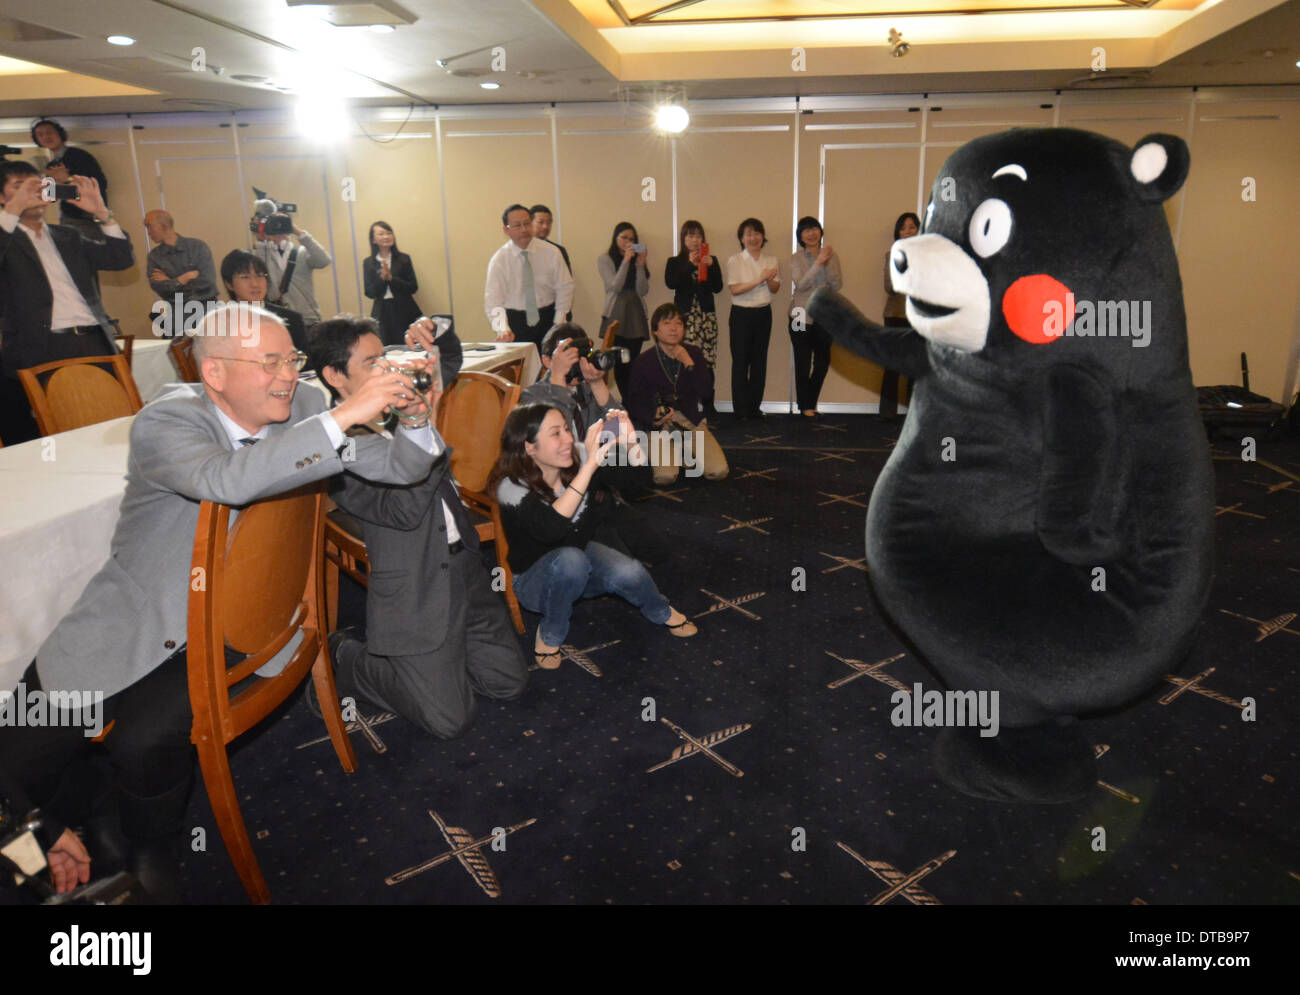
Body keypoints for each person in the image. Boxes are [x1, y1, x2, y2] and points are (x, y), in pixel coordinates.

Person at [0, 303, 435, 900]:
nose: (289, 376)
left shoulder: (306, 409)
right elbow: (225, 480)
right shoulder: (166, 423)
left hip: (239, 625)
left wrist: (414, 420)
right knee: (18, 746)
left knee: (142, 740)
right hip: (137, 616)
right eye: (270, 363)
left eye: (292, 359)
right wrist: (344, 417)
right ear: (215, 375)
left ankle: (150, 846)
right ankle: (53, 835)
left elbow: (406, 466)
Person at [308, 315, 528, 739]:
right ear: (335, 375)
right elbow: (404, 511)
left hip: (463, 565)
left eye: (386, 358)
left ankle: (442, 659)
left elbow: (444, 363)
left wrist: (437, 332)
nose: (388, 369)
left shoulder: (395, 402)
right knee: (449, 720)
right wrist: (418, 427)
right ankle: (345, 656)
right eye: (372, 363)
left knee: (508, 683)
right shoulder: (335, 444)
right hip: (415, 585)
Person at [490, 403, 697, 670]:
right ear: (530, 447)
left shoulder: (577, 455)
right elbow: (551, 529)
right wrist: (589, 466)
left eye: (566, 429)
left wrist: (631, 443)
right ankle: (551, 632)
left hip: (579, 562)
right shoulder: (511, 486)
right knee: (570, 560)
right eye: (555, 434)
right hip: (534, 583)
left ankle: (661, 611)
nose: (567, 439)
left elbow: (639, 484)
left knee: (629, 571)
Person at [0, 161, 133, 446]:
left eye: (38, 184)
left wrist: (102, 213)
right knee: (57, 435)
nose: (32, 191)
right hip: (41, 347)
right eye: (20, 186)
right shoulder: (6, 241)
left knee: (111, 425)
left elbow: (120, 259)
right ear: (1, 196)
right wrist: (12, 211)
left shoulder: (68, 236)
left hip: (94, 340)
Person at [626, 303, 729, 485]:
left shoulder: (694, 354)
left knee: (718, 471)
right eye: (667, 323)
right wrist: (652, 416)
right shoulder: (644, 361)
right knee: (665, 477)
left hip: (689, 420)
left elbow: (705, 392)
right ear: (655, 331)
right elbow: (632, 402)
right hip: (660, 425)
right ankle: (666, 450)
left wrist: (689, 364)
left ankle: (684, 449)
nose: (674, 328)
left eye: (679, 324)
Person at [484, 203, 573, 346]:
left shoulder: (551, 252)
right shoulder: (500, 259)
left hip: (548, 318)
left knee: (552, 365)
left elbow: (565, 287)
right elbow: (493, 301)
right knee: (522, 367)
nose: (524, 229)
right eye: (517, 225)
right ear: (506, 230)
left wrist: (559, 323)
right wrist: (502, 329)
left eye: (527, 223)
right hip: (515, 323)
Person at [663, 220, 723, 419]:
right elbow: (671, 283)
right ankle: (685, 402)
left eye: (698, 236)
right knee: (683, 360)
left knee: (706, 361)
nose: (695, 240)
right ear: (683, 239)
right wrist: (690, 264)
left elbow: (718, 288)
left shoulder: (711, 259)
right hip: (685, 319)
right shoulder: (675, 262)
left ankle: (708, 403)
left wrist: (711, 267)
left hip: (706, 318)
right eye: (690, 236)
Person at [725, 217, 780, 419]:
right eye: (749, 233)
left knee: (759, 362)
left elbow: (775, 288)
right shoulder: (735, 260)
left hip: (763, 314)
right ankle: (740, 410)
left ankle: (754, 407)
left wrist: (771, 279)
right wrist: (760, 279)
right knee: (740, 362)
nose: (753, 237)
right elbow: (735, 289)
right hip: (741, 314)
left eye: (757, 233)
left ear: (763, 236)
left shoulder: (772, 260)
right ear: (741, 238)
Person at [789, 215, 844, 418]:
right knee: (802, 362)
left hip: (825, 314)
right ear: (800, 236)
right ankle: (806, 407)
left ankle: (809, 402)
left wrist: (826, 263)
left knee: (822, 363)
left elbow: (837, 285)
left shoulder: (832, 256)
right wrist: (818, 264)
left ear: (820, 232)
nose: (811, 233)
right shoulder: (796, 258)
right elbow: (801, 284)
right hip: (799, 314)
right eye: (806, 230)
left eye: (815, 229)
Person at [32, 119, 110, 242]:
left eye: (49, 132)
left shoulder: (79, 156)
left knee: (92, 256)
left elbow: (99, 185)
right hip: (69, 217)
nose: (45, 137)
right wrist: (45, 185)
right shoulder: (51, 164)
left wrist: (68, 179)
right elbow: (51, 197)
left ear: (60, 134)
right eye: (40, 135)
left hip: (88, 217)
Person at [597, 222, 650, 400]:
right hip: (616, 313)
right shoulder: (605, 259)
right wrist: (626, 260)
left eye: (632, 239)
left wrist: (640, 264)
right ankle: (626, 402)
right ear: (615, 238)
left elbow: (643, 290)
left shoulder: (637, 260)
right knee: (619, 362)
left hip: (635, 312)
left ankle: (633, 403)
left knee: (633, 362)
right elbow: (614, 286)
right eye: (624, 238)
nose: (628, 242)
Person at [144, 209, 218, 335]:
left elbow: (207, 281)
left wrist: (170, 281)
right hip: (178, 318)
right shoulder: (154, 256)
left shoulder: (197, 247)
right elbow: (160, 288)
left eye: (150, 227)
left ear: (164, 226)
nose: (148, 233)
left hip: (208, 312)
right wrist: (183, 278)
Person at [219, 248, 308, 353]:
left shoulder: (292, 320)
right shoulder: (219, 323)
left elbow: (305, 363)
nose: (255, 284)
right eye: (245, 277)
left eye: (260, 276)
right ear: (229, 284)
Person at [254, 213, 332, 325]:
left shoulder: (302, 253)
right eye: (275, 235)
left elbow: (324, 260)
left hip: (306, 319)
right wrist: (260, 241)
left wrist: (299, 233)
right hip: (278, 319)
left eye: (282, 234)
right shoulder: (265, 254)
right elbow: (257, 271)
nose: (278, 239)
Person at [881, 211, 920, 420]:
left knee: (916, 366)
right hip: (895, 314)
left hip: (919, 316)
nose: (907, 232)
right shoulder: (891, 255)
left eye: (911, 227)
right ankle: (887, 414)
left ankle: (913, 414)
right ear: (898, 233)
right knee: (892, 366)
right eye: (903, 228)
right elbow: (890, 286)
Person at [362, 220, 423, 346]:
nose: (386, 237)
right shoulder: (369, 263)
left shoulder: (404, 259)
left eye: (389, 233)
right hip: (382, 311)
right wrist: (382, 279)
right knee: (385, 349)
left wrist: (391, 279)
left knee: (409, 347)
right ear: (373, 240)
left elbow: (413, 287)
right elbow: (369, 292)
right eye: (381, 234)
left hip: (404, 310)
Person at [530, 204, 571, 275]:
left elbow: (567, 279)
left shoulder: (559, 250)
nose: (545, 226)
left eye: (549, 222)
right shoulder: (522, 249)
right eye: (540, 222)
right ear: (530, 223)